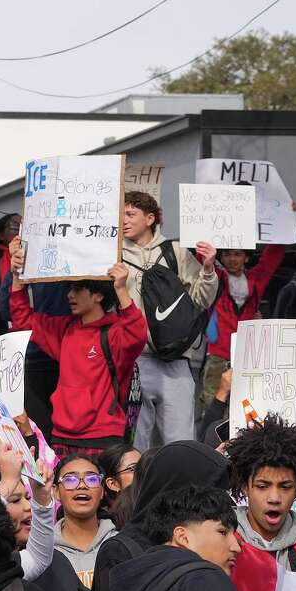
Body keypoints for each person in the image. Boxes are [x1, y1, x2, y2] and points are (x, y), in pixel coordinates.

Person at [77, 440, 230, 591]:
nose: (216, 508)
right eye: (209, 495)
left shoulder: (215, 542)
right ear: (179, 491)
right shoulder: (120, 550)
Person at [9, 242, 146, 457]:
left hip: (103, 436)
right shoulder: (64, 329)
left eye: (78, 289)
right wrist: (17, 278)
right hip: (62, 435)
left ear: (98, 295)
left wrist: (121, 288)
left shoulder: (114, 333)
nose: (70, 295)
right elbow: (23, 321)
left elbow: (137, 334)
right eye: (70, 289)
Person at [105, 484, 254, 591]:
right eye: (222, 532)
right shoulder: (206, 580)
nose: (236, 547)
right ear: (183, 537)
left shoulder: (137, 583)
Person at [119, 191, 219, 448]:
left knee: (180, 443)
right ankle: (137, 490)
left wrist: (208, 268)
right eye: (121, 215)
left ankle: (182, 489)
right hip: (133, 361)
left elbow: (201, 299)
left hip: (175, 361)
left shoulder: (175, 252)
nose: (124, 220)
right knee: (135, 447)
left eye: (130, 214)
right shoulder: (113, 254)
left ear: (150, 218)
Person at [225, 413, 296, 572]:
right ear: (244, 486)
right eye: (262, 486)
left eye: (285, 487)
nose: (274, 498)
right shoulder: (221, 540)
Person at [201, 241, 286, 412]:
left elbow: (272, 256)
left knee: (245, 410)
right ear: (221, 257)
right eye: (227, 254)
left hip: (246, 356)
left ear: (246, 257)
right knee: (213, 409)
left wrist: (284, 222)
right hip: (218, 356)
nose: (232, 259)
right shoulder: (215, 277)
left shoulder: (256, 279)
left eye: (238, 254)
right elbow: (201, 254)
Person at [53, 454, 117, 589]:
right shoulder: (44, 552)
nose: (82, 485)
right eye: (70, 479)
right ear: (56, 492)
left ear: (102, 492)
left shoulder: (120, 544)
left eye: (92, 479)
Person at [96, 442, 140, 524]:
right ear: (113, 484)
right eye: (133, 468)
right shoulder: (106, 523)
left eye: (144, 465)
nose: (143, 471)